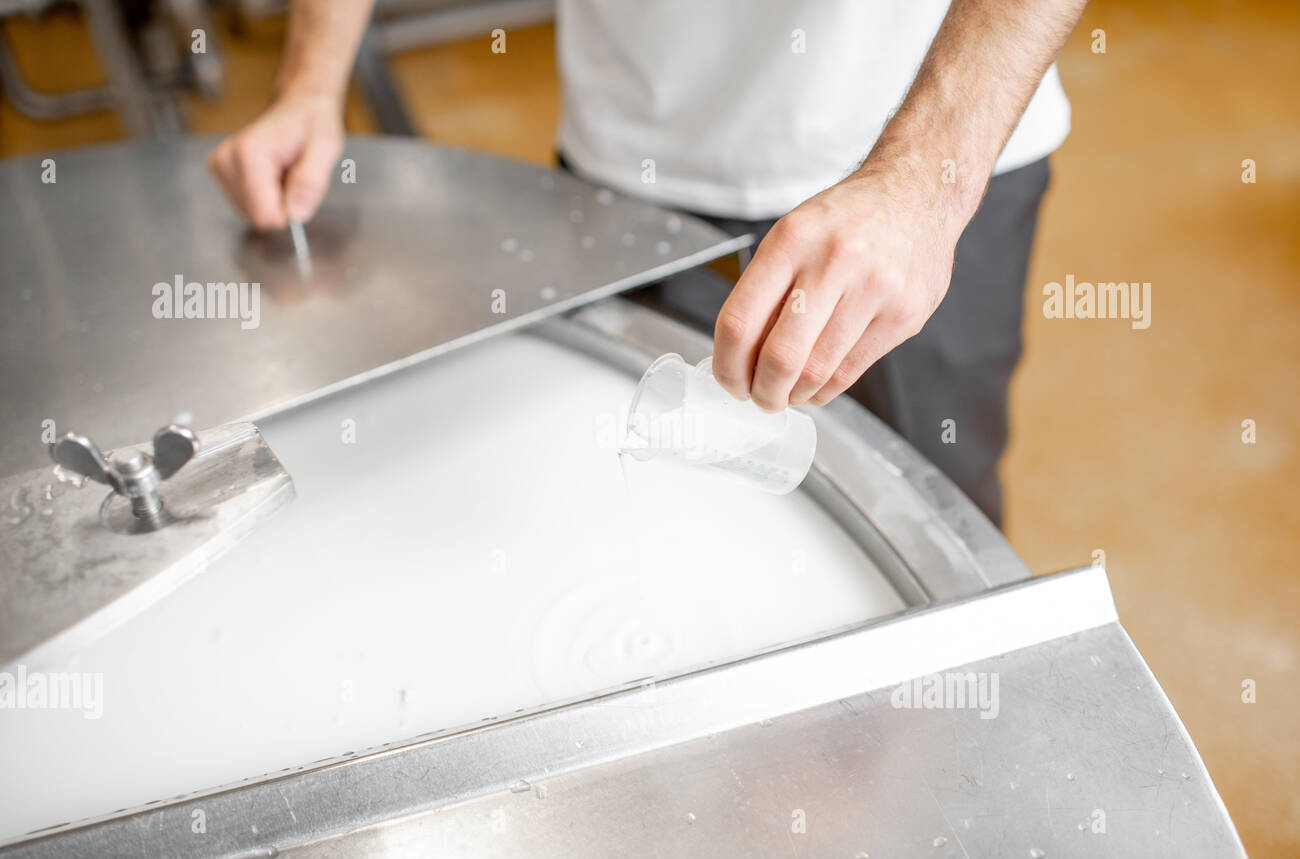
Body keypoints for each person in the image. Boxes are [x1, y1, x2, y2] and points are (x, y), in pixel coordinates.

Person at [209, 0, 1087, 527]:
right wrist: (310, 82)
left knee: (929, 505)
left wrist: (923, 184)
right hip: (636, 158)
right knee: (668, 509)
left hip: (937, 155)